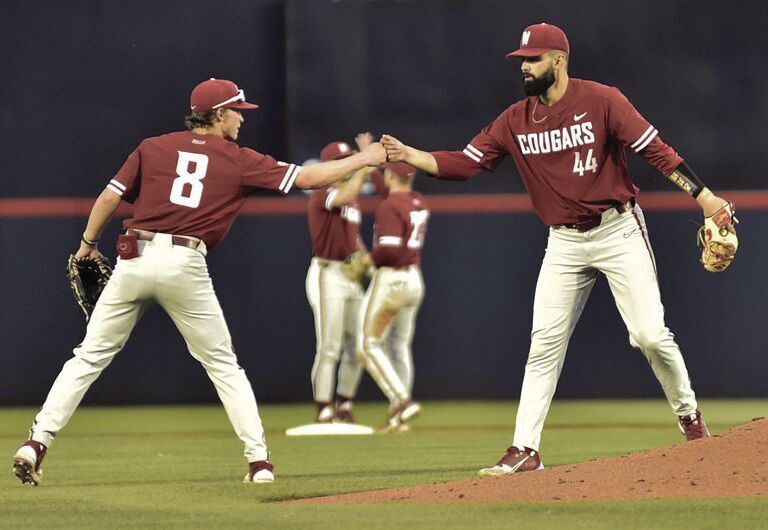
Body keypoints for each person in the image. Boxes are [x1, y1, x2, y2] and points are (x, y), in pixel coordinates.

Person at [381, 23, 732, 475]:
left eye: (533, 59)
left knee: (649, 334)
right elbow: (467, 163)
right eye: (522, 60)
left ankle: (689, 416)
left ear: (559, 60)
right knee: (543, 344)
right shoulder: (515, 120)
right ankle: (525, 449)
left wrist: (704, 196)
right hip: (564, 242)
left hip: (618, 231)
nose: (524, 67)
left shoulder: (602, 100)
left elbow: (657, 151)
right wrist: (411, 154)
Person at [11, 78, 386, 486]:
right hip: (184, 262)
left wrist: (87, 245)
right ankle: (259, 463)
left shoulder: (152, 146)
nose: (242, 120)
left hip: (134, 257)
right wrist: (364, 158)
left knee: (87, 357)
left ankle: (35, 443)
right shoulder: (238, 159)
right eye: (237, 112)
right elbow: (310, 179)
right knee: (223, 366)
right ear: (219, 114)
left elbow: (108, 198)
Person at [306, 134, 375, 424]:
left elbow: (353, 238)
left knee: (357, 345)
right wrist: (363, 164)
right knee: (329, 345)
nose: (346, 166)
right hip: (327, 273)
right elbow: (344, 197)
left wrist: (367, 261)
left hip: (348, 274)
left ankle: (344, 405)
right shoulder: (321, 190)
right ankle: (323, 407)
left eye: (347, 161)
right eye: (341, 161)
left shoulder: (352, 199)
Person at [357, 162, 429, 431]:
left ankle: (401, 401)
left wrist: (366, 260)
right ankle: (399, 419)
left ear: (389, 175)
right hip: (414, 279)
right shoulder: (418, 201)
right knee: (399, 346)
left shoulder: (389, 206)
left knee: (368, 345)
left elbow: (387, 250)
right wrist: (375, 172)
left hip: (392, 281)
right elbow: (394, 193)